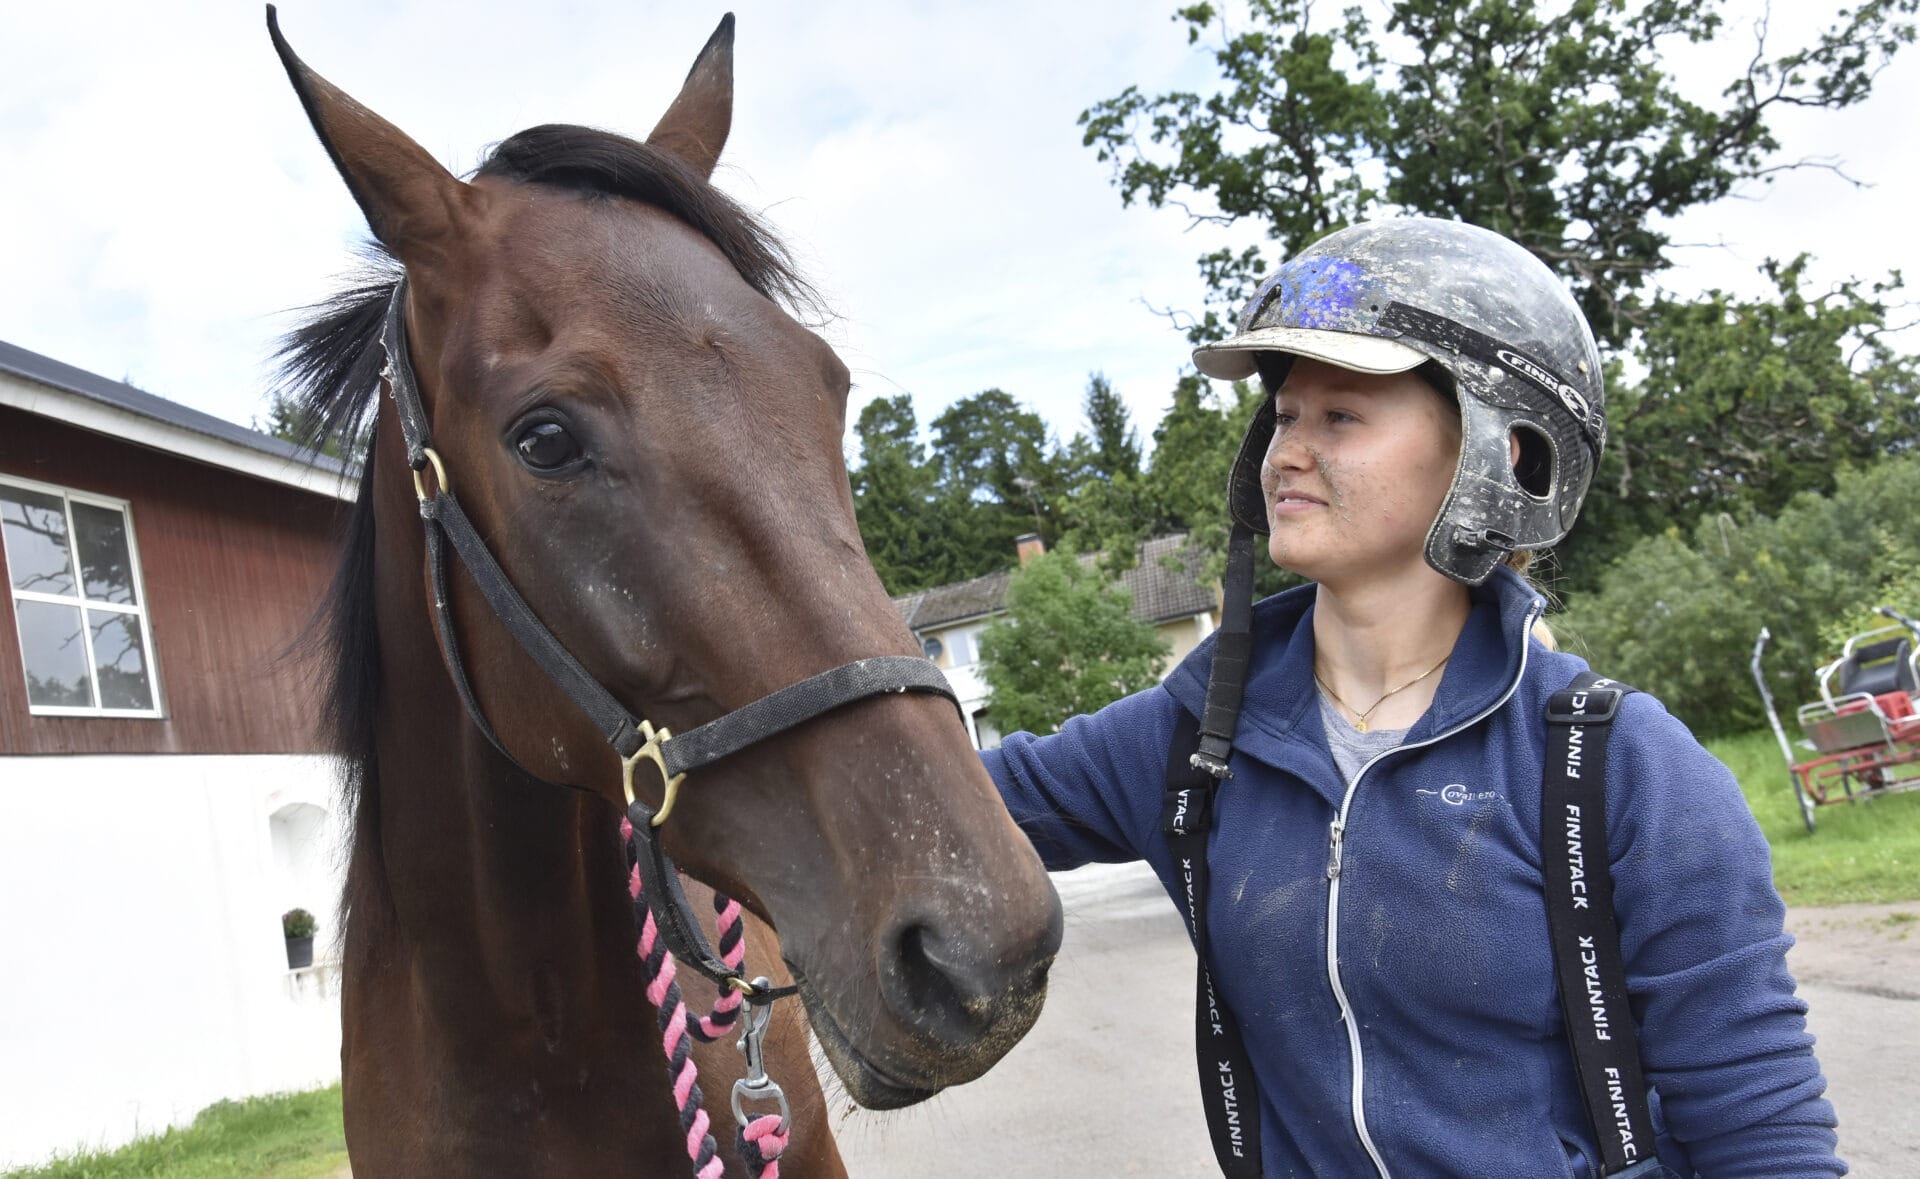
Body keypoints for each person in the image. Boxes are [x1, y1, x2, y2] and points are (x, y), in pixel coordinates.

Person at [984, 218, 1842, 1177]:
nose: (1285, 452)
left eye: (1339, 416)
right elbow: (911, 805)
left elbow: (1763, 1131)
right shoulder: (1196, 735)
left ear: (1498, 452)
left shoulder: (1617, 766)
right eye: (1284, 414)